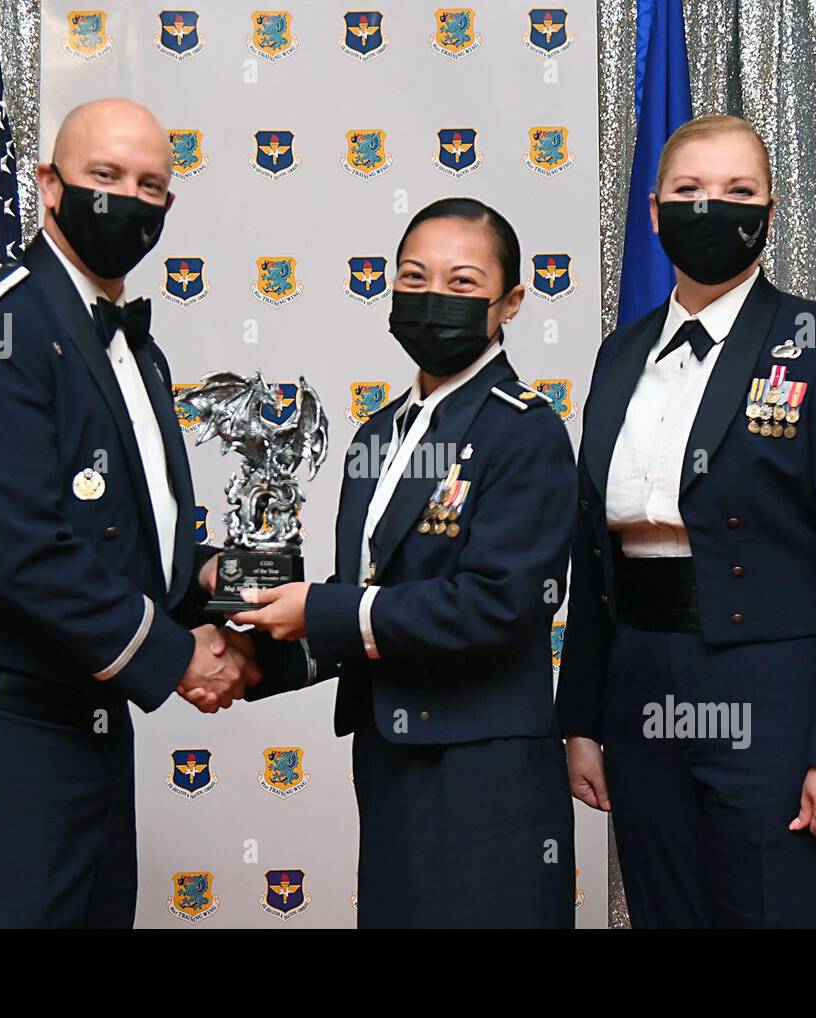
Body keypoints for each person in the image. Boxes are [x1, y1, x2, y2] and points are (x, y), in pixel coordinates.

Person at [0, 98, 255, 928]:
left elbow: (125, 532)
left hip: (87, 718)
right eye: (105, 176)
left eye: (150, 185)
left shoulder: (133, 346)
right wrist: (176, 656)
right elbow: (18, 550)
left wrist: (230, 586)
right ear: (49, 185)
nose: (127, 199)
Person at [556, 115, 816, 928]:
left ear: (770, 212)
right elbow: (594, 553)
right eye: (688, 192)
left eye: (737, 192)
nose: (710, 208)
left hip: (780, 704)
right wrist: (581, 721)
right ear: (653, 212)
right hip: (642, 692)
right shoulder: (621, 353)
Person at [231, 198, 578, 929]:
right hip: (389, 756)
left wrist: (319, 612)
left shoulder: (527, 433)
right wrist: (246, 652)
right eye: (414, 279)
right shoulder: (378, 435)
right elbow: (365, 605)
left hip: (484, 768)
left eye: (461, 284)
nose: (432, 301)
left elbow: (495, 605)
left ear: (509, 302)